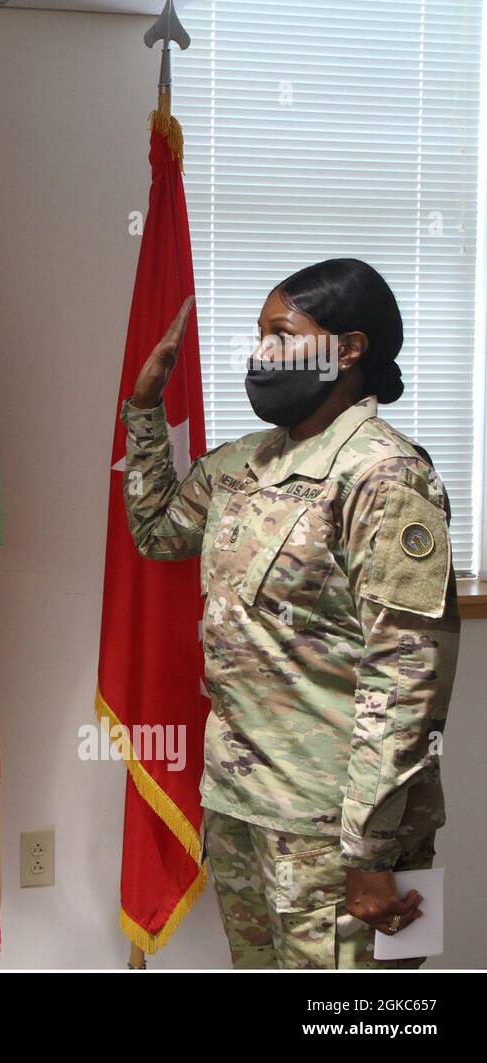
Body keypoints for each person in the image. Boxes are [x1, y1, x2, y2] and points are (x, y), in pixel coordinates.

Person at [121, 258, 459, 968]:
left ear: (350, 347)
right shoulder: (244, 464)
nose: (261, 354)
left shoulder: (387, 474)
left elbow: (408, 678)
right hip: (246, 806)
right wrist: (144, 410)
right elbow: (156, 532)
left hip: (344, 831)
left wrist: (369, 849)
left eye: (281, 335)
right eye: (258, 336)